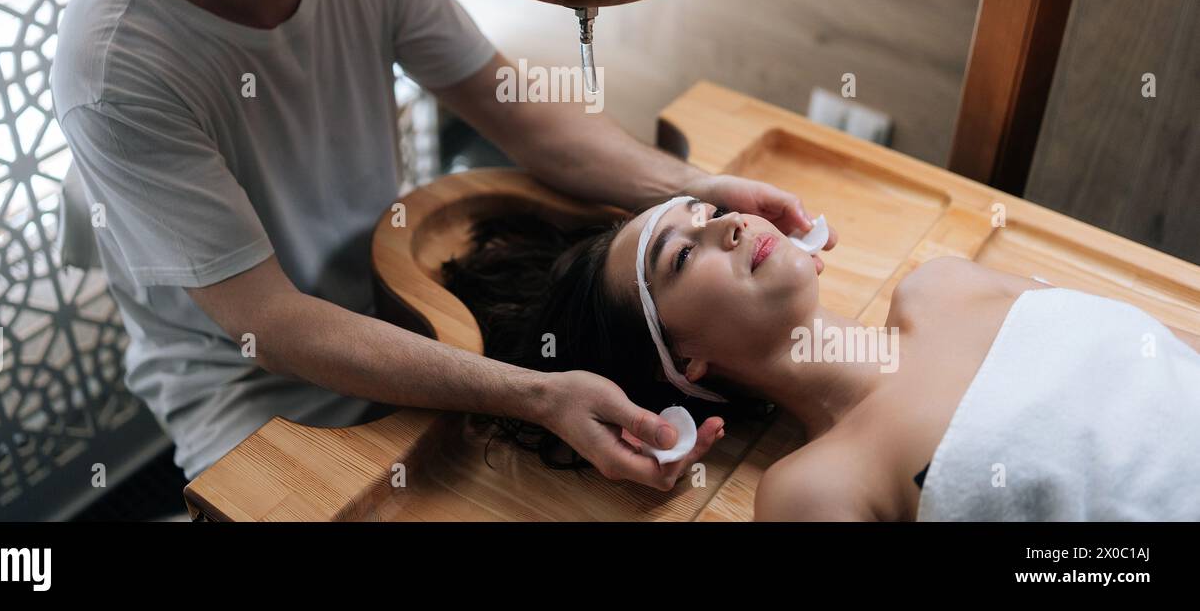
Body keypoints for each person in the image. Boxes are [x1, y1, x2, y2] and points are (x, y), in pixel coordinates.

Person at [48, 0, 836, 487]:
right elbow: (271, 322)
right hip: (246, 386)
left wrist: (695, 185)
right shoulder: (116, 66)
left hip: (397, 303)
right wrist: (536, 395)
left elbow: (520, 114)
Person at [443, 198, 1200, 520]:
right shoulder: (813, 487)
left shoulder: (945, 286)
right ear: (684, 361)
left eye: (709, 214)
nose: (732, 227)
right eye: (683, 255)